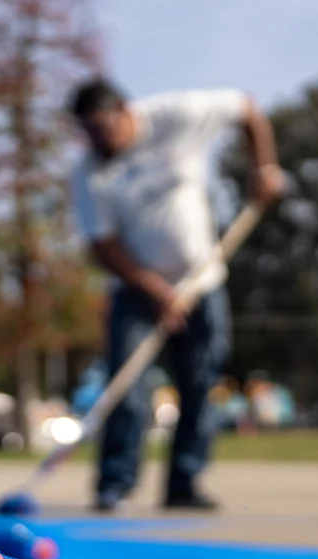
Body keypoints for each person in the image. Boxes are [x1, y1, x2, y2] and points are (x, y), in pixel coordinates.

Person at [68, 77, 283, 511]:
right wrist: (157, 292)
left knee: (201, 383)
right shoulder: (89, 171)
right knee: (127, 385)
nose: (97, 140)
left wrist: (263, 168)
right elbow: (103, 245)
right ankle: (116, 482)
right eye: (87, 132)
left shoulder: (177, 115)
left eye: (103, 128)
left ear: (124, 112)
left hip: (202, 281)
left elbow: (246, 109)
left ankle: (184, 482)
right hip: (136, 289)